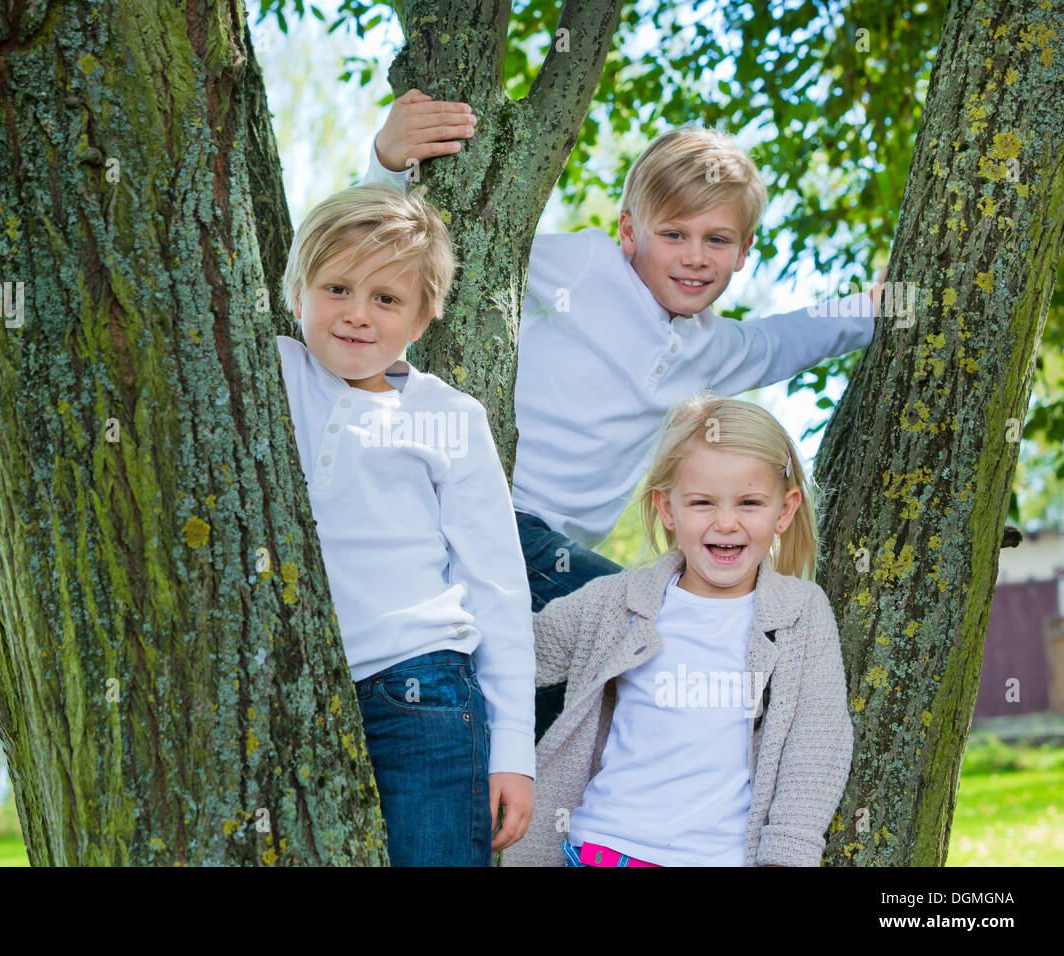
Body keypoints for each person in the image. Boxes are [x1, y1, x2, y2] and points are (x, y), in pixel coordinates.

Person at [363, 92, 880, 739]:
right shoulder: (584, 267)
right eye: (674, 234)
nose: (695, 256)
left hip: (546, 558)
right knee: (647, 616)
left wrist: (879, 304)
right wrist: (389, 162)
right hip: (486, 514)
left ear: (744, 250)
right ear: (629, 232)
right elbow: (422, 253)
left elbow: (783, 342)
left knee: (562, 702)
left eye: (716, 239)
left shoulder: (709, 348)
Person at [276, 182, 535, 865]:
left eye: (386, 299)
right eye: (336, 290)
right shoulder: (274, 372)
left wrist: (512, 752)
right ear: (296, 295)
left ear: (421, 321)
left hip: (419, 692)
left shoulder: (448, 416)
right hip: (294, 683)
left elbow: (498, 589)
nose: (358, 315)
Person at [499, 393, 854, 866]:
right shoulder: (619, 601)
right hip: (603, 852)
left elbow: (819, 739)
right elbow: (519, 655)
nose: (725, 522)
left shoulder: (799, 614)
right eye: (702, 502)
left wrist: (787, 855)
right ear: (668, 508)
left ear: (784, 511)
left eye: (750, 503)